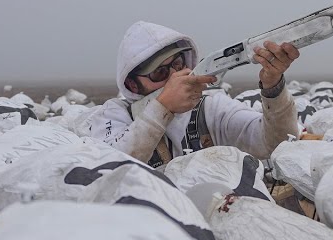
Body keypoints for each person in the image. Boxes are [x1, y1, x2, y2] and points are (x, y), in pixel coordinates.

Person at [90, 21, 300, 166]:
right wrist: (163, 108)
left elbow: (276, 143)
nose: (174, 78)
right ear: (133, 85)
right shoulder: (114, 116)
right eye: (160, 72)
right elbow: (111, 168)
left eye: (178, 64)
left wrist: (273, 87)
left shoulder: (210, 109)